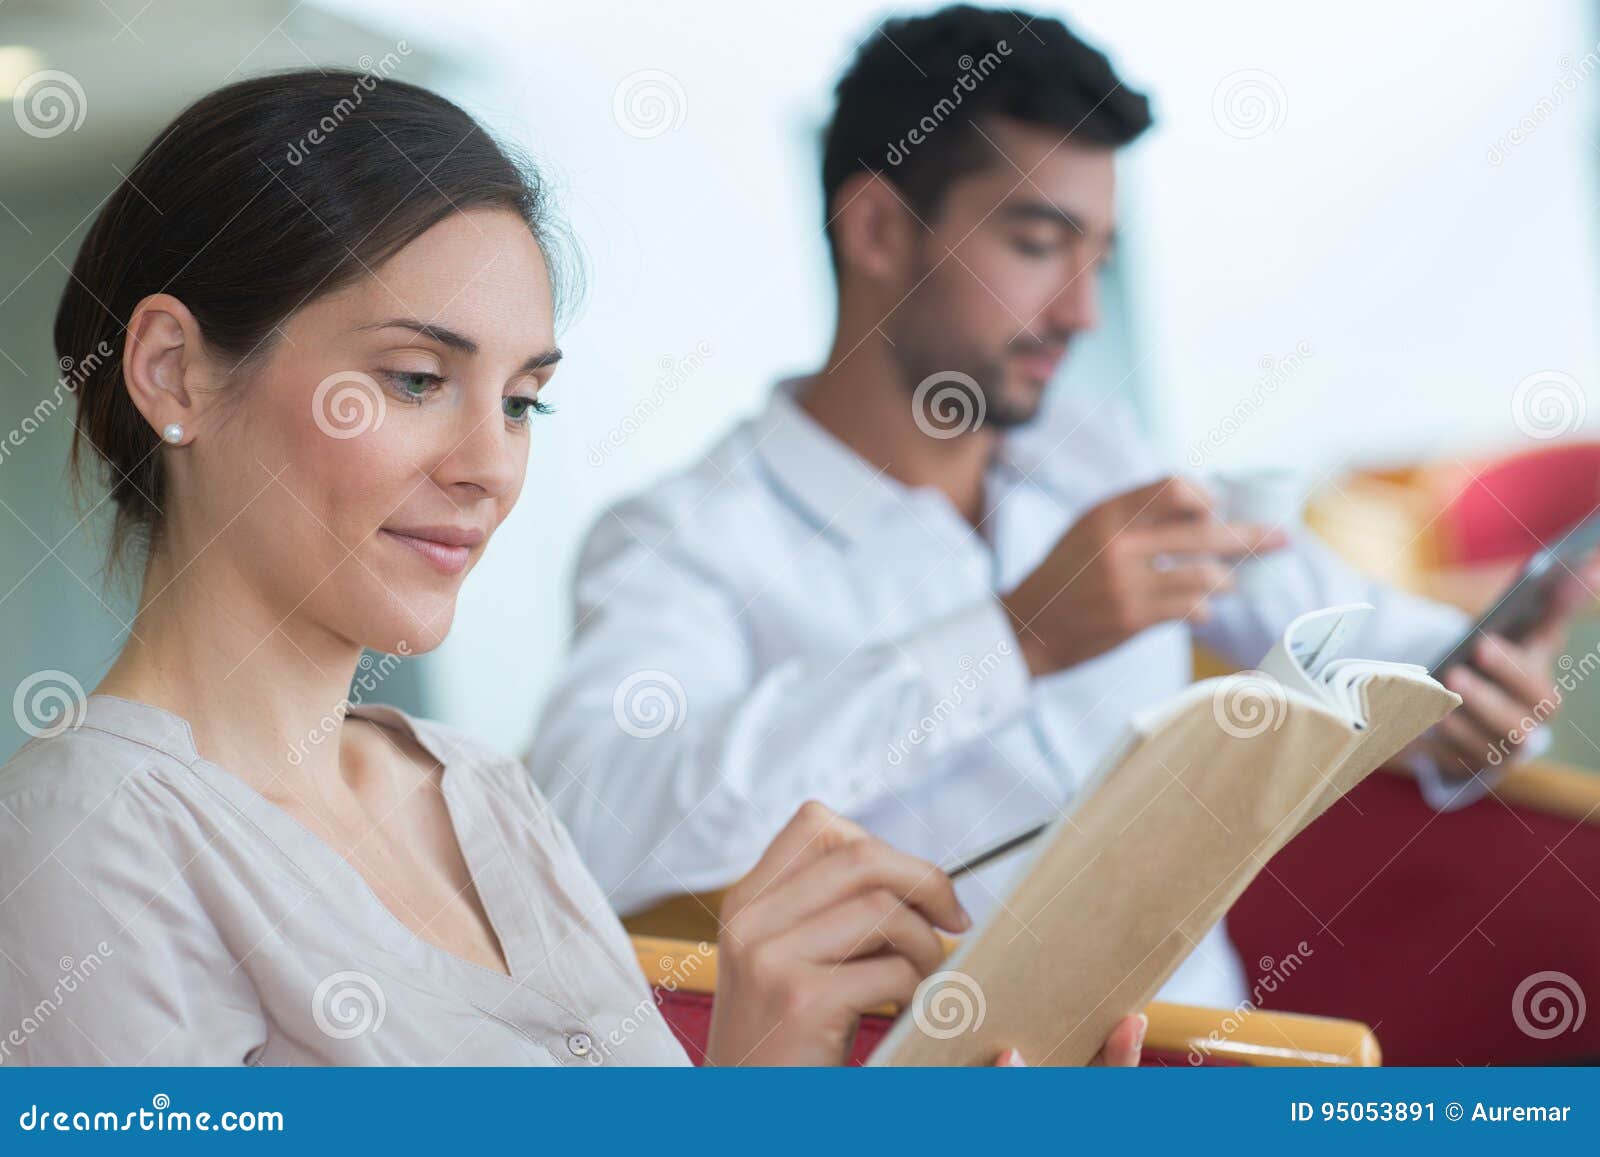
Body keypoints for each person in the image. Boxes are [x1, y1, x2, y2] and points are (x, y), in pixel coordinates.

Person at [0, 70, 1144, 1068]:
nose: (489, 465)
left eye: (521, 400)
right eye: (414, 379)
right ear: (174, 371)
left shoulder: (479, 789)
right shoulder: (81, 838)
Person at [529, 5, 1600, 1009]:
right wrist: (1015, 638)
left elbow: (1343, 627)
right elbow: (592, 819)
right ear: (877, 229)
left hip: (1222, 1056)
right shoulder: (684, 540)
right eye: (1039, 245)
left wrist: (1471, 698)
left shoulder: (1096, 456)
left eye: (1098, 258)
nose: (1081, 311)